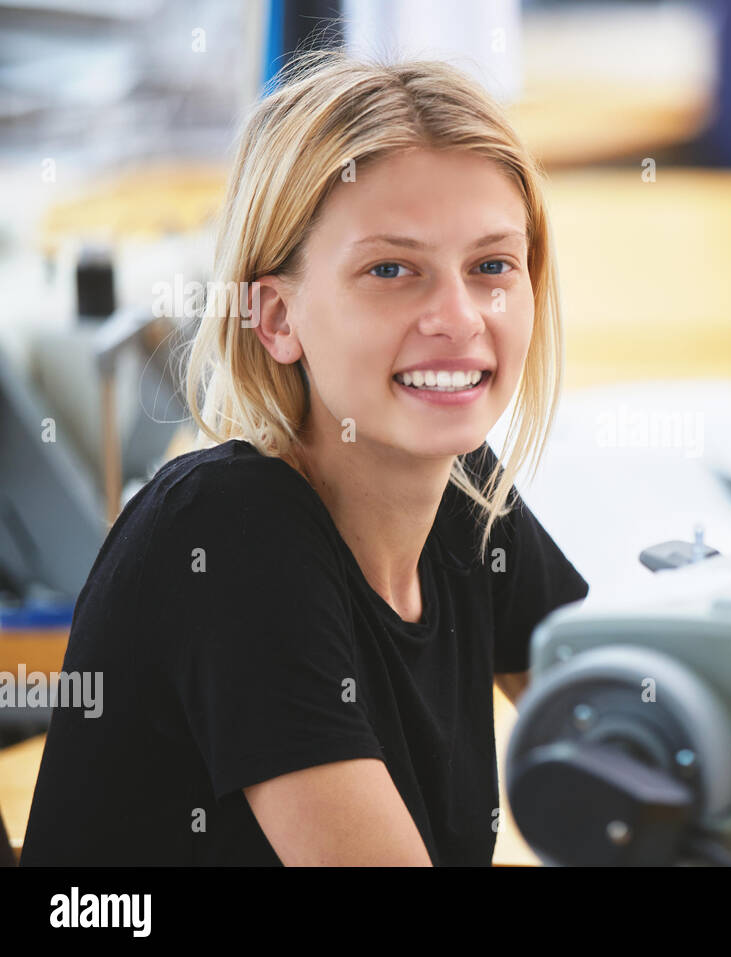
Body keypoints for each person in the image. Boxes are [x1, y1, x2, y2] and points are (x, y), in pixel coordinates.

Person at [20, 50, 589, 866]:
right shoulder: (227, 532)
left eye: (492, 265)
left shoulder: (466, 494)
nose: (459, 316)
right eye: (391, 269)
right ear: (277, 316)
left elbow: (653, 738)